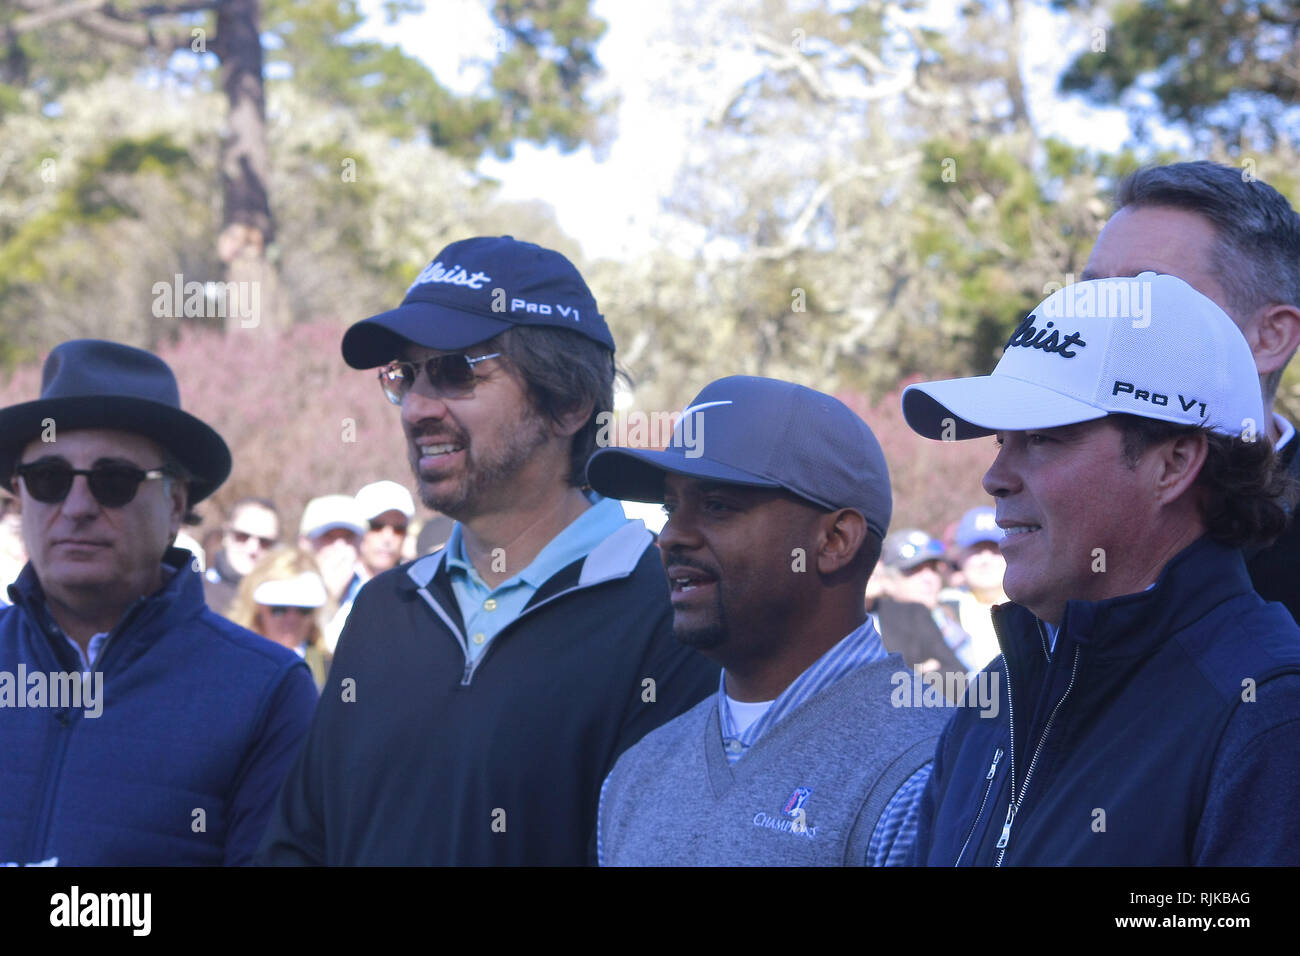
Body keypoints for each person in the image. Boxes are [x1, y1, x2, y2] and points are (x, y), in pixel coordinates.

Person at [259, 235, 719, 865]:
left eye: (455, 371)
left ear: (568, 403)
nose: (417, 407)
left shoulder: (671, 620)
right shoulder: (383, 609)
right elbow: (299, 847)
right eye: (404, 375)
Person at [901, 274, 1300, 865]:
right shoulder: (998, 692)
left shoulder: (1269, 710)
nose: (996, 477)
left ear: (1173, 464)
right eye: (999, 442)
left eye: (1041, 439)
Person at [589, 376, 951, 866]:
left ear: (835, 540)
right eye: (671, 507)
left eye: (717, 505)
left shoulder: (932, 767)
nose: (671, 534)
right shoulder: (638, 772)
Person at [0, 340, 317, 866]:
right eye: (49, 479)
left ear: (174, 505)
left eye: (114, 481)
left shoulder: (267, 692)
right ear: (19, 493)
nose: (77, 507)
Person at [1081, 160, 1300, 623]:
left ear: (1270, 337)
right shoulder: (1058, 507)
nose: (1099, 322)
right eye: (1091, 294)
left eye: (1149, 296)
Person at [871, 528, 969, 686]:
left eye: (933, 568)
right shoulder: (876, 624)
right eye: (912, 570)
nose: (928, 578)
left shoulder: (963, 610)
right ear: (887, 580)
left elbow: (958, 680)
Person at [227, 546, 332, 690]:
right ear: (257, 608)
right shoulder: (232, 663)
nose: (292, 618)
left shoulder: (331, 670)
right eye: (279, 609)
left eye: (304, 609)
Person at [938, 506, 1007, 671]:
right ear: (960, 557)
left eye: (995, 549)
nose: (985, 559)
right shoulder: (940, 611)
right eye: (976, 550)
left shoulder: (1034, 609)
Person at [296, 493, 366, 653]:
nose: (340, 546)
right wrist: (328, 597)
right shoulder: (284, 588)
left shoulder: (371, 594)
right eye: (328, 537)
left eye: (349, 537)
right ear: (304, 543)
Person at [203, 496, 280, 614]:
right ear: (226, 534)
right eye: (242, 536)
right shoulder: (197, 592)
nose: (252, 549)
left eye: (264, 542)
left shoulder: (281, 605)